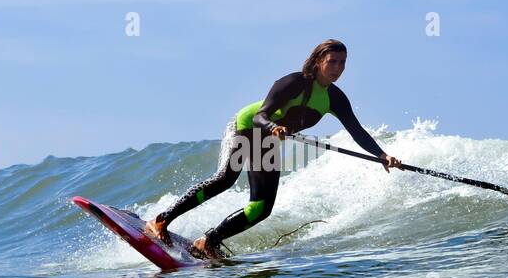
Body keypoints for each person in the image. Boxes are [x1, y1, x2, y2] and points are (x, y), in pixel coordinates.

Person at [146, 39, 401, 259]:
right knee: (226, 179)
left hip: (267, 141)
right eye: (333, 61)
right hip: (247, 127)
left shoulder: (335, 98)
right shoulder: (293, 82)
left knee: (261, 208)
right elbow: (260, 116)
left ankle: (208, 241)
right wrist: (273, 127)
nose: (338, 68)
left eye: (343, 62)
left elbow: (356, 130)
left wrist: (381, 155)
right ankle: (161, 220)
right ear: (318, 61)